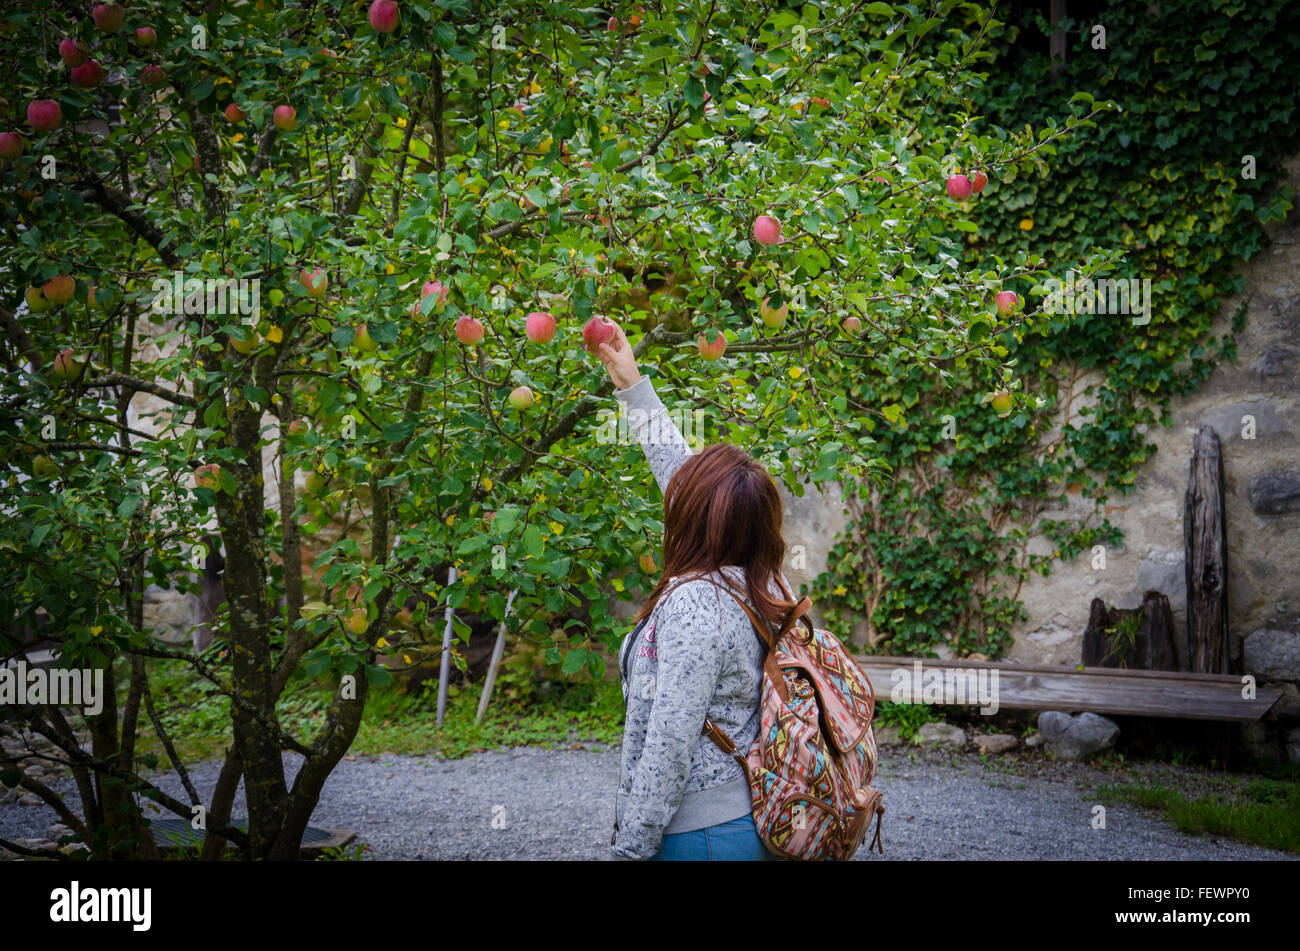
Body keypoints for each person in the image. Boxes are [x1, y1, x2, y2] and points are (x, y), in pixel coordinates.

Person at [595, 317, 799, 861]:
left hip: (698, 837)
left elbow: (669, 741)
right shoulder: (763, 579)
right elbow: (682, 477)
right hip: (740, 822)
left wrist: (630, 850)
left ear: (698, 518)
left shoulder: (693, 604)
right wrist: (634, 388)